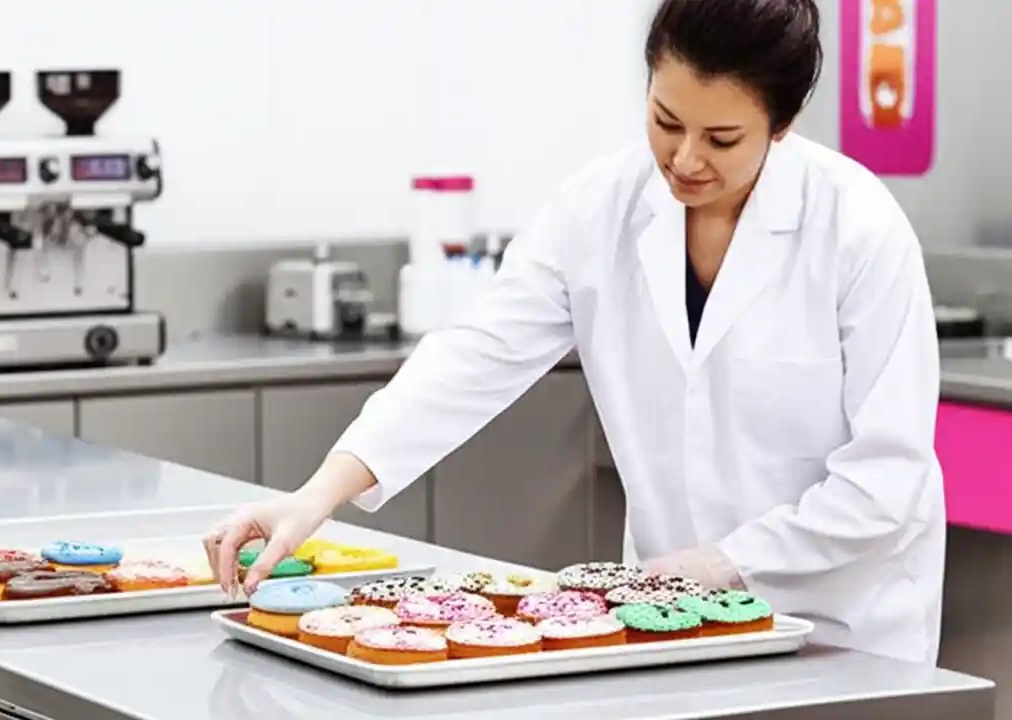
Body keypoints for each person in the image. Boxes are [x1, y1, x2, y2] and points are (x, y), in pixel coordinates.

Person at [204, 0, 943, 666]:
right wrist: (316, 495)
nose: (685, 159)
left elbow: (885, 481)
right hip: (668, 618)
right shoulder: (601, 207)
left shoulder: (858, 227)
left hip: (842, 628)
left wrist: (727, 561)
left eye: (721, 138)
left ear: (782, 127)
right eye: (665, 120)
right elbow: (476, 353)